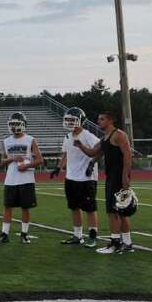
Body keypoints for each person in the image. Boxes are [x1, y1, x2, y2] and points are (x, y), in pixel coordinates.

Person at [74, 111, 134, 254]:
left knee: (113, 212)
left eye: (102, 119)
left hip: (117, 178)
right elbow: (93, 153)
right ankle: (127, 243)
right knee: (121, 212)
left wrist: (125, 176)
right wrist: (80, 145)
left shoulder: (119, 135)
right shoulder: (105, 138)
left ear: (110, 120)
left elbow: (128, 156)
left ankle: (115, 243)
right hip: (111, 176)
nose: (99, 121)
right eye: (98, 119)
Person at [54, 107, 100, 247]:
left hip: (86, 178)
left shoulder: (88, 136)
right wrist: (58, 168)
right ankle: (77, 235)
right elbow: (66, 154)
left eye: (72, 120)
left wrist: (92, 163)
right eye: (67, 120)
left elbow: (99, 149)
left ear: (81, 121)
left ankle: (92, 236)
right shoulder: (67, 137)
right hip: (71, 177)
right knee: (74, 207)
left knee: (90, 209)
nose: (69, 122)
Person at [0, 112, 41, 244]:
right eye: (12, 124)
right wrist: (12, 158)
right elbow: (2, 162)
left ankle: (24, 234)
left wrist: (27, 166)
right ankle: (4, 234)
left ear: (23, 124)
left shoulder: (30, 140)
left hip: (26, 179)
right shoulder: (6, 141)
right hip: (10, 179)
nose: (14, 126)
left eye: (16, 124)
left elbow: (40, 160)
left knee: (25, 208)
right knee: (7, 207)